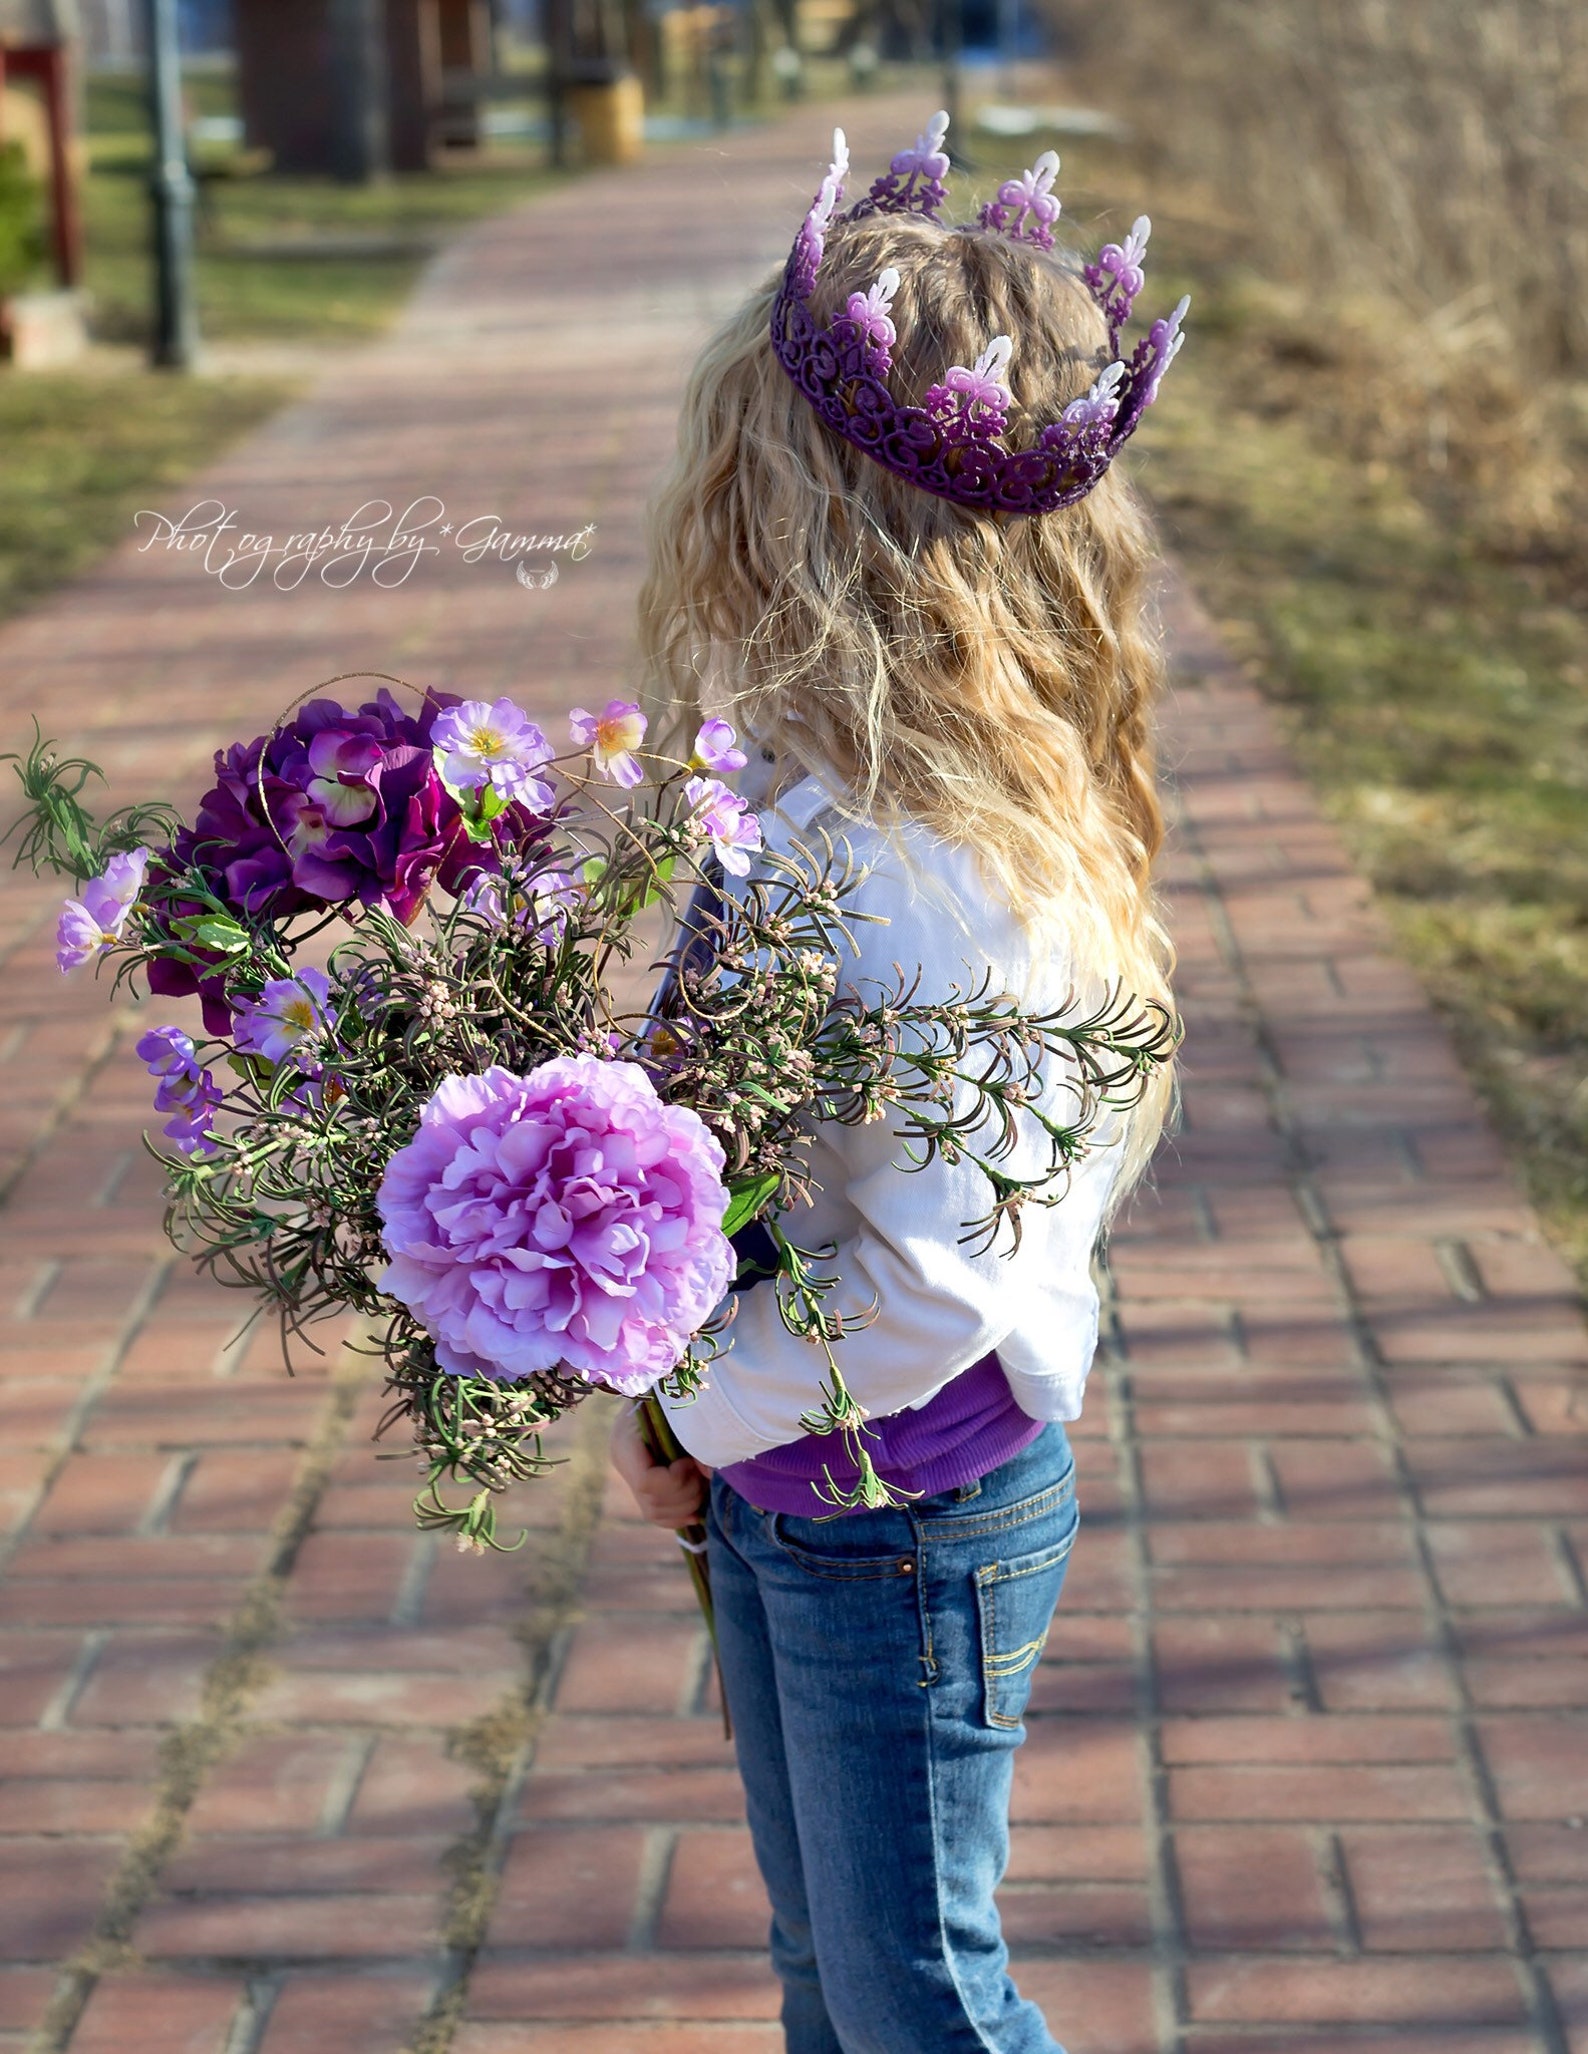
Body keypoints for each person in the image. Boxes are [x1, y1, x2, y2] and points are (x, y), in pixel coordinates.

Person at [610, 113, 1182, 2054]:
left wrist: (689, 1376)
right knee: (827, 1974)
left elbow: (932, 1283)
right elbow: (750, 1119)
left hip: (904, 1500)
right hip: (794, 1477)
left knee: (920, 1989)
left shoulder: (951, 881)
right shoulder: (819, 793)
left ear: (813, 527)